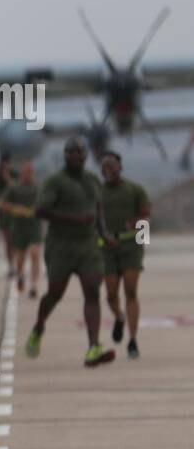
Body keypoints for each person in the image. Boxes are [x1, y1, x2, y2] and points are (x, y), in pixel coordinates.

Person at [25, 137, 114, 366]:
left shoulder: (94, 180)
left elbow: (98, 209)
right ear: (65, 155)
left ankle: (93, 347)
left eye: (79, 152)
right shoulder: (55, 182)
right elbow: (40, 211)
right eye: (70, 152)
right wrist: (74, 219)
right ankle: (38, 327)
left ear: (86, 155)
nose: (75, 156)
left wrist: (104, 234)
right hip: (61, 246)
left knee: (92, 291)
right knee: (55, 293)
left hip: (88, 245)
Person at [99, 152, 151, 359]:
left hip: (131, 245)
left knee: (130, 291)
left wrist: (137, 225)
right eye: (104, 168)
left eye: (112, 166)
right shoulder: (98, 192)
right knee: (111, 294)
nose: (108, 171)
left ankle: (133, 340)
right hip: (106, 247)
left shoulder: (134, 189)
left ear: (120, 168)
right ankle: (119, 317)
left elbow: (146, 213)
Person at [0, 160, 43, 297]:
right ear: (22, 173)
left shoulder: (38, 188)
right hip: (19, 226)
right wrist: (16, 209)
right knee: (21, 256)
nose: (28, 174)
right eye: (26, 172)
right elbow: (2, 203)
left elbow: (46, 203)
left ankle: (34, 285)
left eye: (30, 172)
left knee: (35, 254)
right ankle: (21, 275)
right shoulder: (14, 188)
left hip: (35, 225)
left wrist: (38, 210)